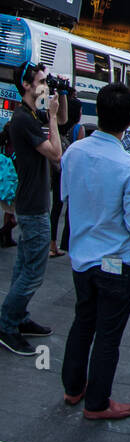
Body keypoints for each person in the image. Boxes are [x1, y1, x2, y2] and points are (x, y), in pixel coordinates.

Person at [59, 82, 130, 419]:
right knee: (108, 336)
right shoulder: (128, 166)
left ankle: (73, 388)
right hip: (115, 263)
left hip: (81, 259)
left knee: (83, 322)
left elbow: (66, 197)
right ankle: (97, 402)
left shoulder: (74, 152)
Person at [0, 62, 66, 355]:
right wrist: (50, 116)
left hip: (32, 204)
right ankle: (6, 324)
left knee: (22, 267)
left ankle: (19, 318)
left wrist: (60, 95)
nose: (43, 86)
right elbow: (56, 154)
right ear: (26, 85)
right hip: (33, 206)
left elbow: (62, 120)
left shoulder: (29, 113)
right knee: (33, 273)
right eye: (40, 82)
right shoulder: (23, 120)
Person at [50, 93, 84, 257]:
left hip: (57, 169)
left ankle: (51, 244)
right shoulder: (79, 128)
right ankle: (67, 243)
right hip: (72, 174)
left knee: (55, 207)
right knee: (72, 208)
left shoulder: (58, 125)